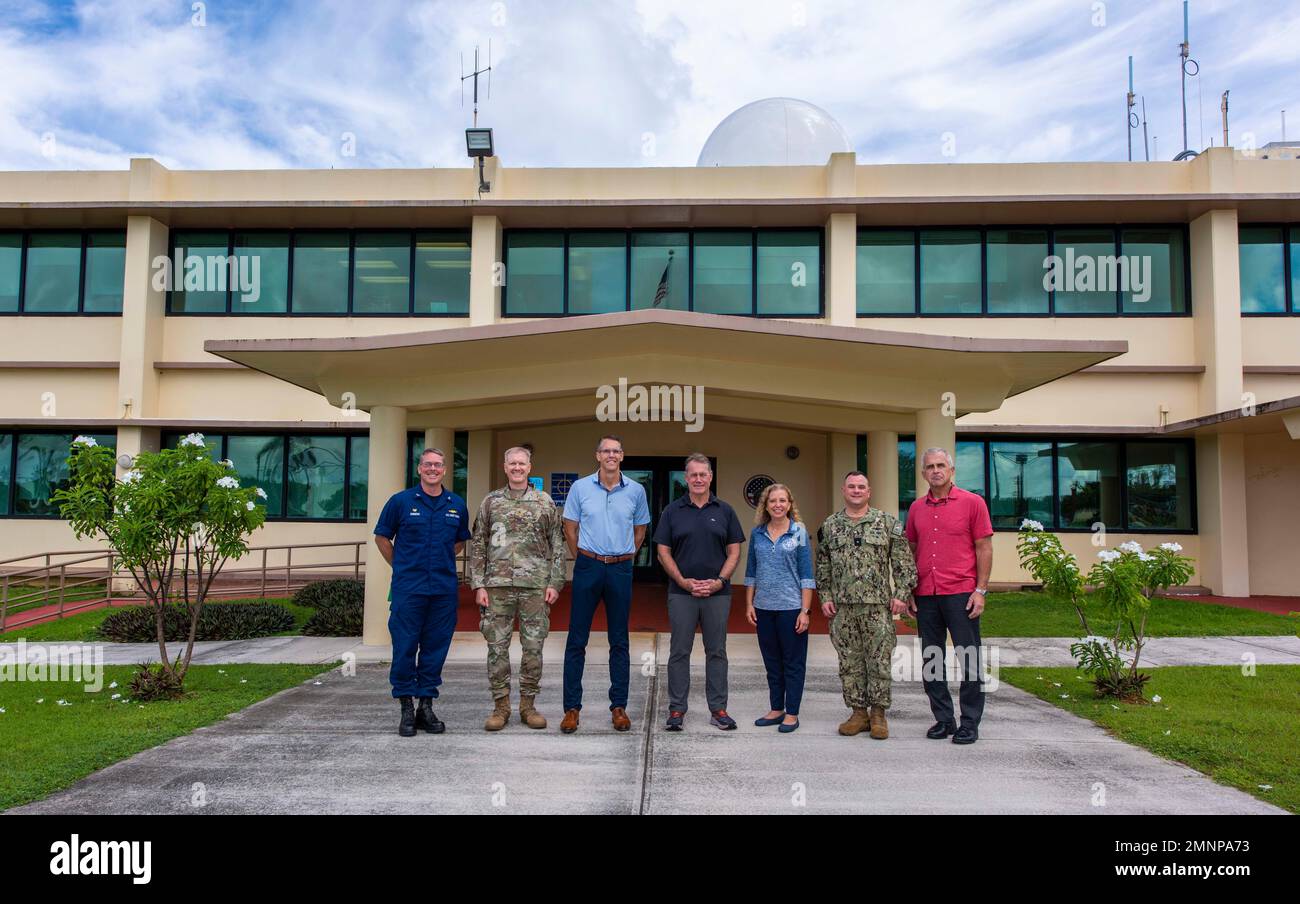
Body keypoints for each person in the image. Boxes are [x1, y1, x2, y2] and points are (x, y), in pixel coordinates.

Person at [373, 447, 471, 737]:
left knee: (435, 647)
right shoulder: (400, 502)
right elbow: (382, 537)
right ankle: (405, 706)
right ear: (419, 469)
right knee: (405, 646)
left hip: (442, 589)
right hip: (409, 588)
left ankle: (425, 706)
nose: (432, 469)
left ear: (444, 470)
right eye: (427, 464)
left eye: (438, 465)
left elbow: (458, 542)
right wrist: (400, 565)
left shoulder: (456, 503)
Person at [467, 446, 566, 731]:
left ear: (529, 467)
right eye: (513, 463)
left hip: (535, 586)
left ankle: (528, 706)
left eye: (522, 463)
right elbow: (479, 544)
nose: (517, 468)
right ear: (505, 466)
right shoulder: (491, 502)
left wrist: (555, 582)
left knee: (533, 648)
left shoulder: (544, 502)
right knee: (497, 648)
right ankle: (500, 707)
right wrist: (478, 584)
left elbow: (558, 545)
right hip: (497, 587)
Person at [815, 471, 917, 739]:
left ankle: (879, 714)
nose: (856, 491)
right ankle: (858, 712)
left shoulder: (886, 524)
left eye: (861, 487)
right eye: (852, 486)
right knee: (849, 662)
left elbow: (903, 563)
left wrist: (901, 594)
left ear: (869, 492)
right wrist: (824, 597)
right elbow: (823, 566)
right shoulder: (830, 526)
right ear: (843, 490)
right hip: (843, 609)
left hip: (877, 607)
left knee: (879, 661)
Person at [559, 435, 650, 734]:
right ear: (597, 455)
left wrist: (627, 555)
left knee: (619, 640)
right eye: (605, 451)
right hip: (588, 565)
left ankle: (619, 707)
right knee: (576, 640)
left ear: (622, 456)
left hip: (621, 568)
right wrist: (584, 556)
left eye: (616, 451)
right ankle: (572, 708)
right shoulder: (580, 488)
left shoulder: (636, 490)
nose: (611, 455)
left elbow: (640, 530)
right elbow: (570, 527)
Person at [904, 446, 993, 745]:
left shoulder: (973, 503)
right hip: (926, 593)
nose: (936, 470)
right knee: (932, 659)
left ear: (951, 470)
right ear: (923, 473)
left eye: (941, 465)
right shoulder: (916, 509)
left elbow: (984, 548)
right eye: (930, 467)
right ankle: (943, 719)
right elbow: (911, 551)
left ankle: (969, 722)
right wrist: (909, 590)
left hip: (961, 593)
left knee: (968, 657)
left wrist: (980, 590)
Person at [654, 453, 745, 731]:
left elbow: (734, 551)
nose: (697, 479)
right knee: (679, 652)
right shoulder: (672, 511)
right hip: (682, 593)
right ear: (685, 477)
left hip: (718, 594)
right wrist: (682, 580)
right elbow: (662, 551)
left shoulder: (725, 510)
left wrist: (719, 580)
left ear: (710, 477)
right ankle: (677, 711)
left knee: (716, 651)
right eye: (692, 474)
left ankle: (718, 709)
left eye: (702, 474)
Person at [744, 483, 814, 733]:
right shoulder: (757, 534)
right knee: (772, 662)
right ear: (765, 505)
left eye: (782, 500)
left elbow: (807, 575)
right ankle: (776, 708)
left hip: (791, 609)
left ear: (789, 504)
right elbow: (751, 571)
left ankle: (792, 713)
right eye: (772, 501)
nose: (777, 505)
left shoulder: (799, 533)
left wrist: (804, 611)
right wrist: (749, 604)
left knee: (793, 663)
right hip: (764, 608)